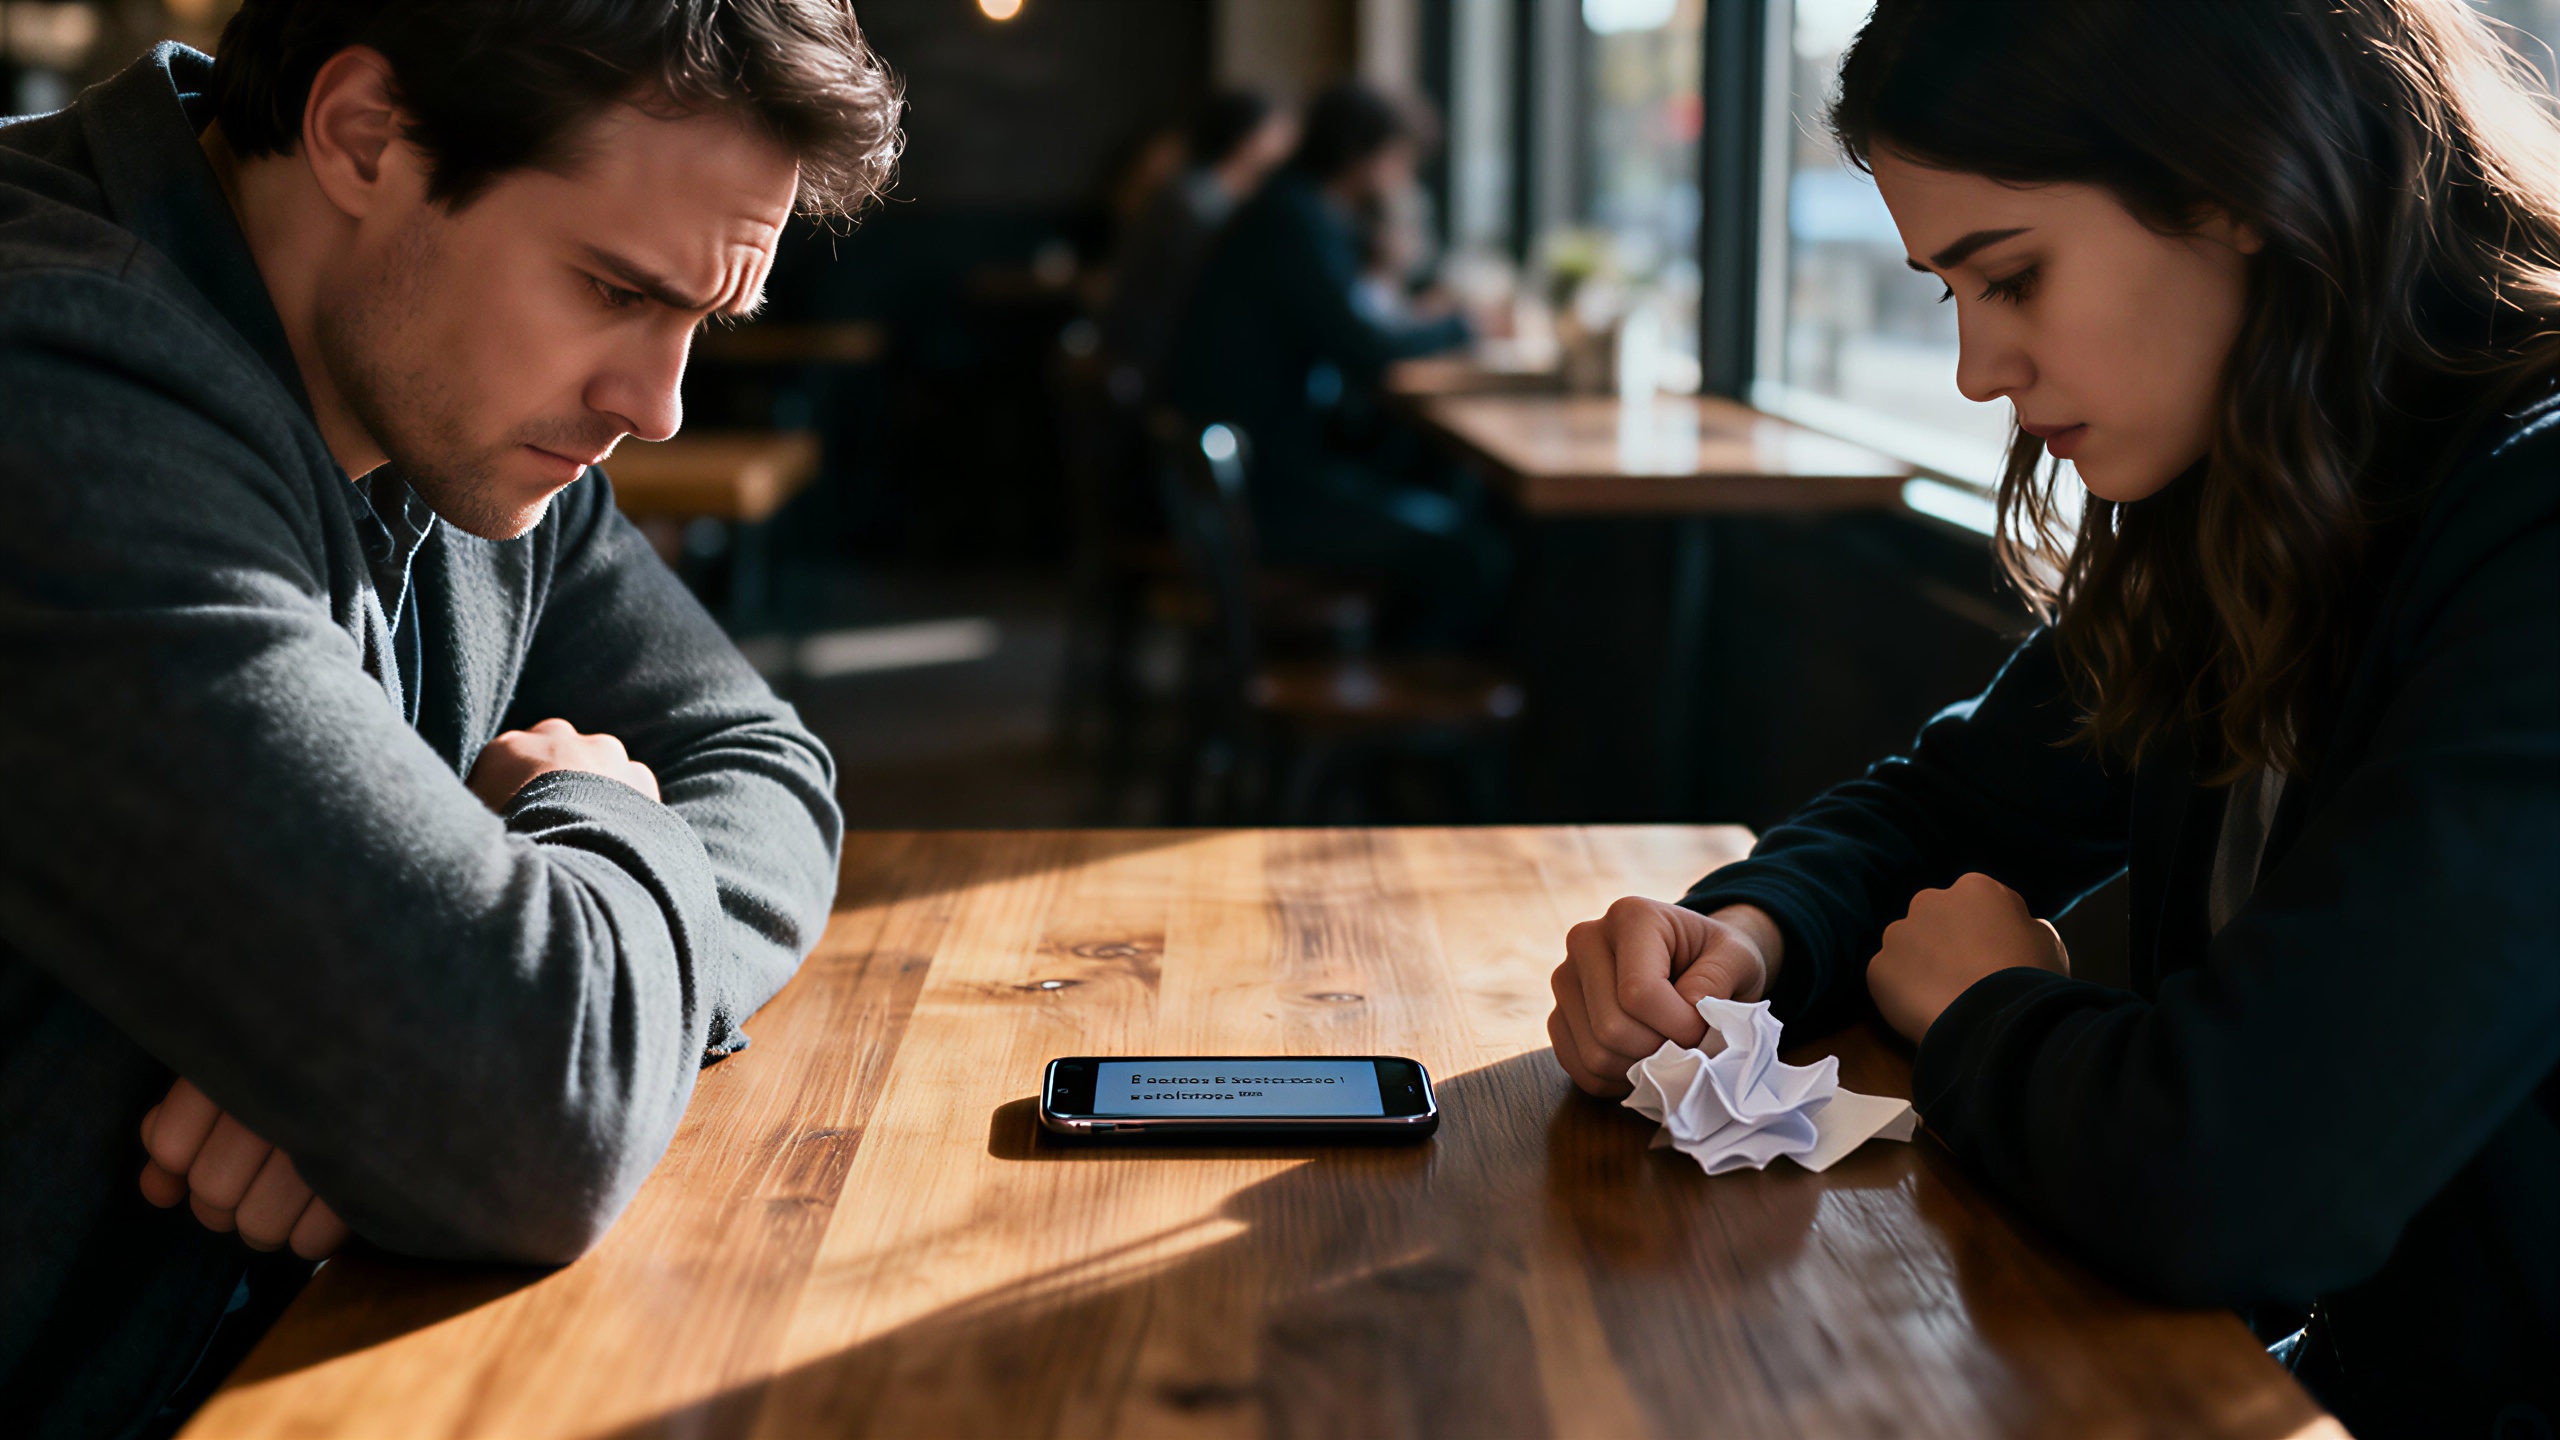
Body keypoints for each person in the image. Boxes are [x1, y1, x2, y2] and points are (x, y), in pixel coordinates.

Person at [1544, 2, 2557, 1434]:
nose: (1978, 371)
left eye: (2011, 278)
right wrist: (1749, 936)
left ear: (2236, 180)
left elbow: (2248, 1177)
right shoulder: (2269, 492)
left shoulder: (2532, 536)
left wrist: (1986, 1009)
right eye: (1951, 296)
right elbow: (1951, 802)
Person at [0, 2, 901, 1433]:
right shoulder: (51, 377)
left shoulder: (454, 401)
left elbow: (760, 761)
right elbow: (538, 1111)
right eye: (613, 288)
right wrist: (578, 854)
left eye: (698, 321)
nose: (655, 406)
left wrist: (419, 1039)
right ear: (366, 136)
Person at [1169, 81, 1497, 646]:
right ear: (1360, 157)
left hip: (1252, 465)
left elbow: (1355, 332)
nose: (1401, 180)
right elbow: (1369, 350)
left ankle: (1390, 676)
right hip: (1262, 494)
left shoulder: (1290, 210)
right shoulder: (1293, 221)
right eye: (1396, 161)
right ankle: (1407, 696)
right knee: (1467, 552)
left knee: (1438, 481)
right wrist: (1468, 326)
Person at [1101, 89, 1297, 400]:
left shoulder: (1223, 195)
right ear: (1247, 137)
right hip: (1157, 356)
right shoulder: (1195, 199)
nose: (1288, 139)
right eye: (1277, 129)